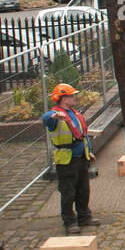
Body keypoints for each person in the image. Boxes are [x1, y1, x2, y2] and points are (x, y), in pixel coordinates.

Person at [42, 83, 99, 235]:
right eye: (71, 96)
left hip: (81, 158)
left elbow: (83, 134)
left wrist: (90, 152)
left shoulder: (74, 113)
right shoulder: (56, 116)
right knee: (68, 193)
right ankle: (69, 222)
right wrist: (54, 116)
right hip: (67, 160)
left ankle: (84, 217)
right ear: (63, 99)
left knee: (83, 190)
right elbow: (45, 118)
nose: (74, 98)